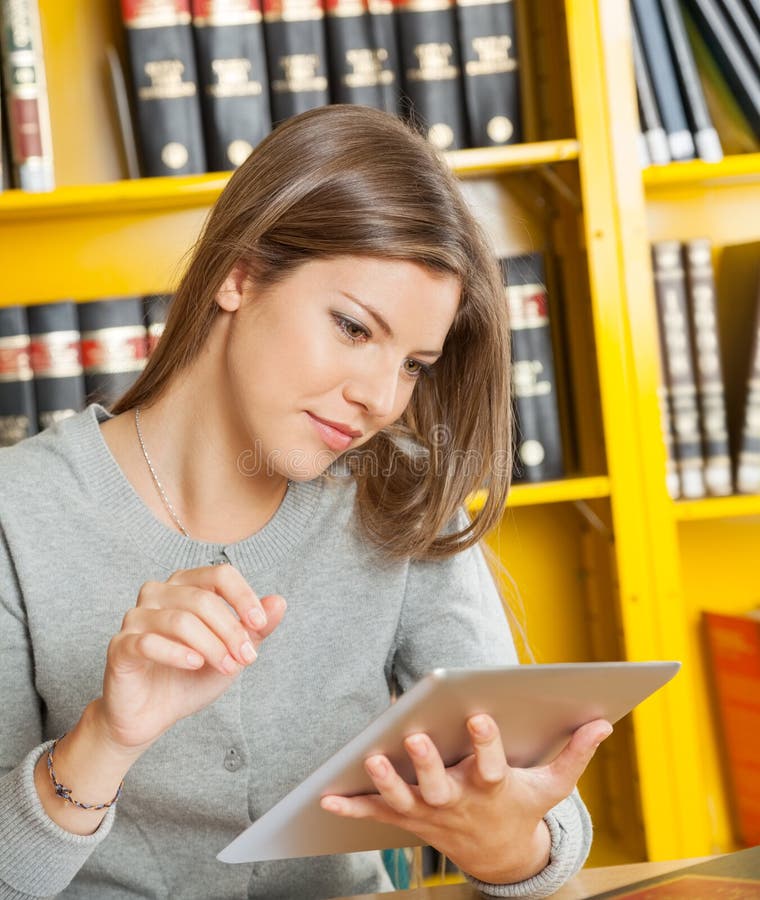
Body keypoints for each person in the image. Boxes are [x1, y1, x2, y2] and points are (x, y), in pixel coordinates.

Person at [0, 105, 610, 900]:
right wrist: (106, 740)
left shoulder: (402, 494)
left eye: (415, 364)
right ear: (239, 275)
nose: (380, 397)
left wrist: (510, 849)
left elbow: (543, 811)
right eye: (354, 328)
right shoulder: (20, 511)